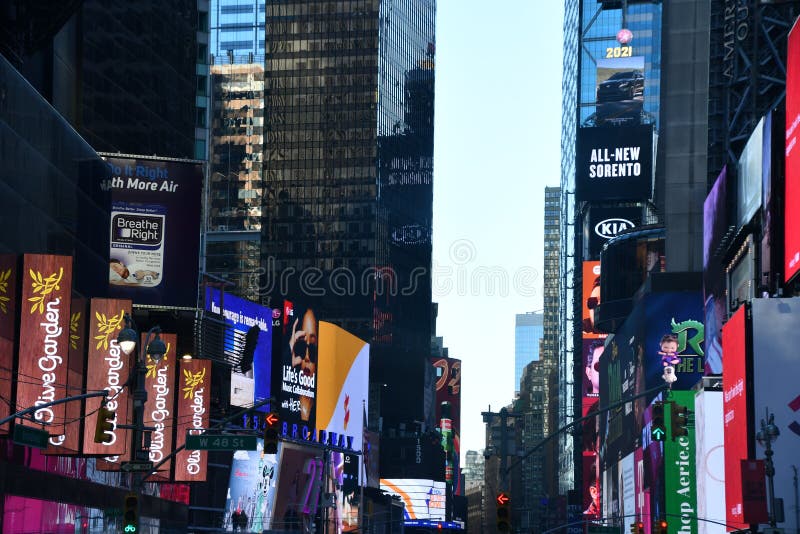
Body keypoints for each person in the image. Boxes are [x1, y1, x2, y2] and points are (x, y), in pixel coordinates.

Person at [289, 308, 318, 421]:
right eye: (301, 347)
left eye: (312, 348)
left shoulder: (325, 408)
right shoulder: (284, 402)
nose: (306, 357)